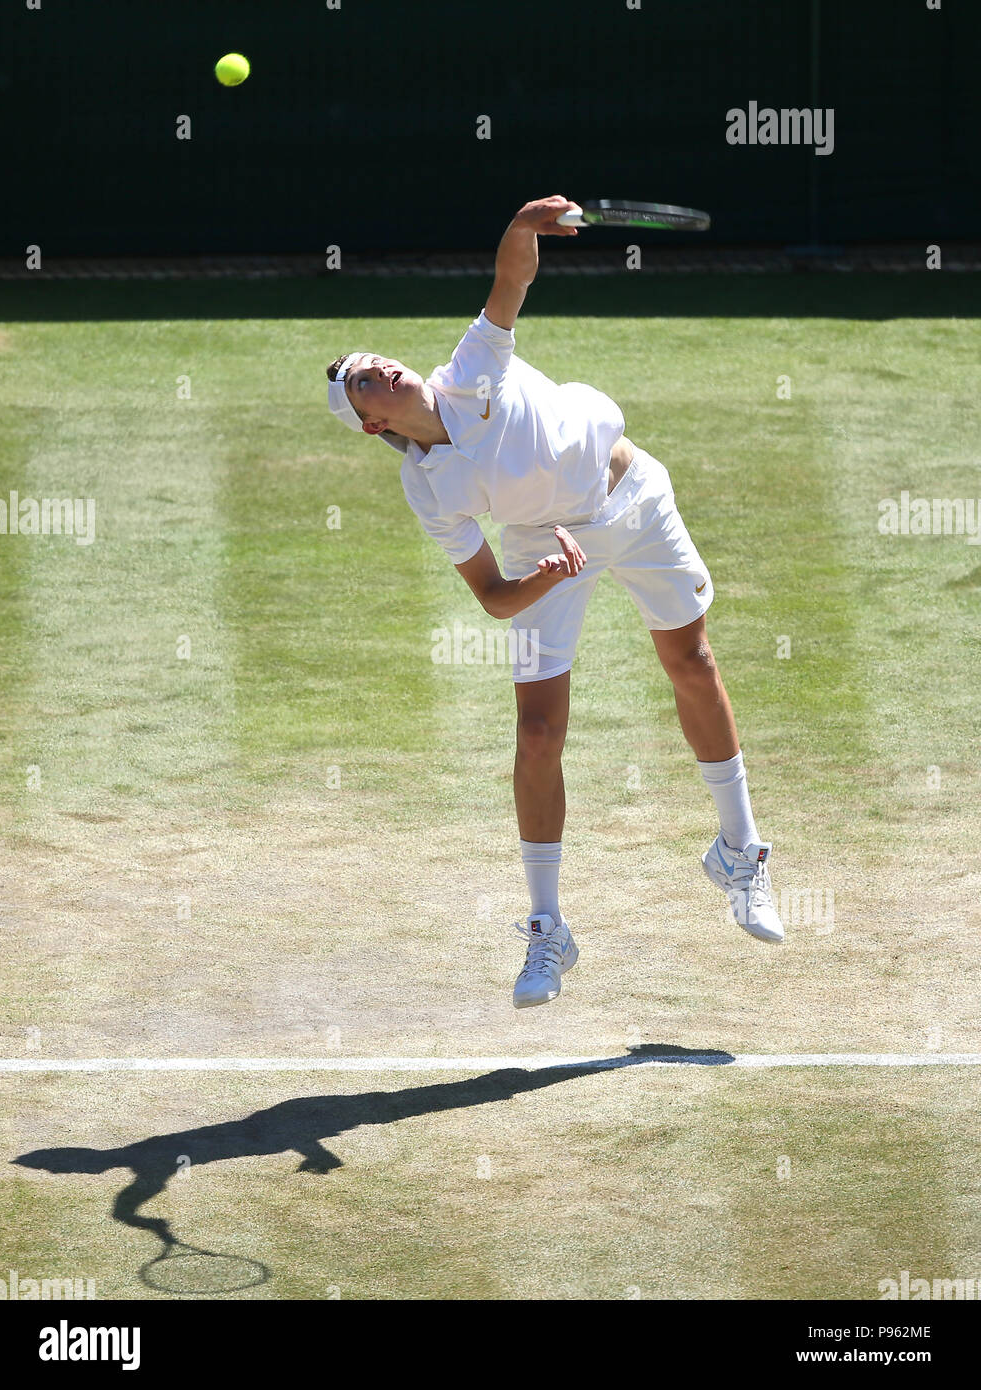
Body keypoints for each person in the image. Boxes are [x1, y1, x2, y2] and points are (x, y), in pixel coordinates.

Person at [327, 195, 784, 1010]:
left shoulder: (468, 369)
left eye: (380, 361)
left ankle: (740, 853)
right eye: (368, 383)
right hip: (541, 541)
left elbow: (511, 279)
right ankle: (547, 930)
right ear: (370, 423)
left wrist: (522, 223)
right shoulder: (427, 488)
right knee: (538, 733)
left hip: (633, 495)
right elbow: (497, 598)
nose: (385, 371)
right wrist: (547, 573)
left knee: (693, 659)